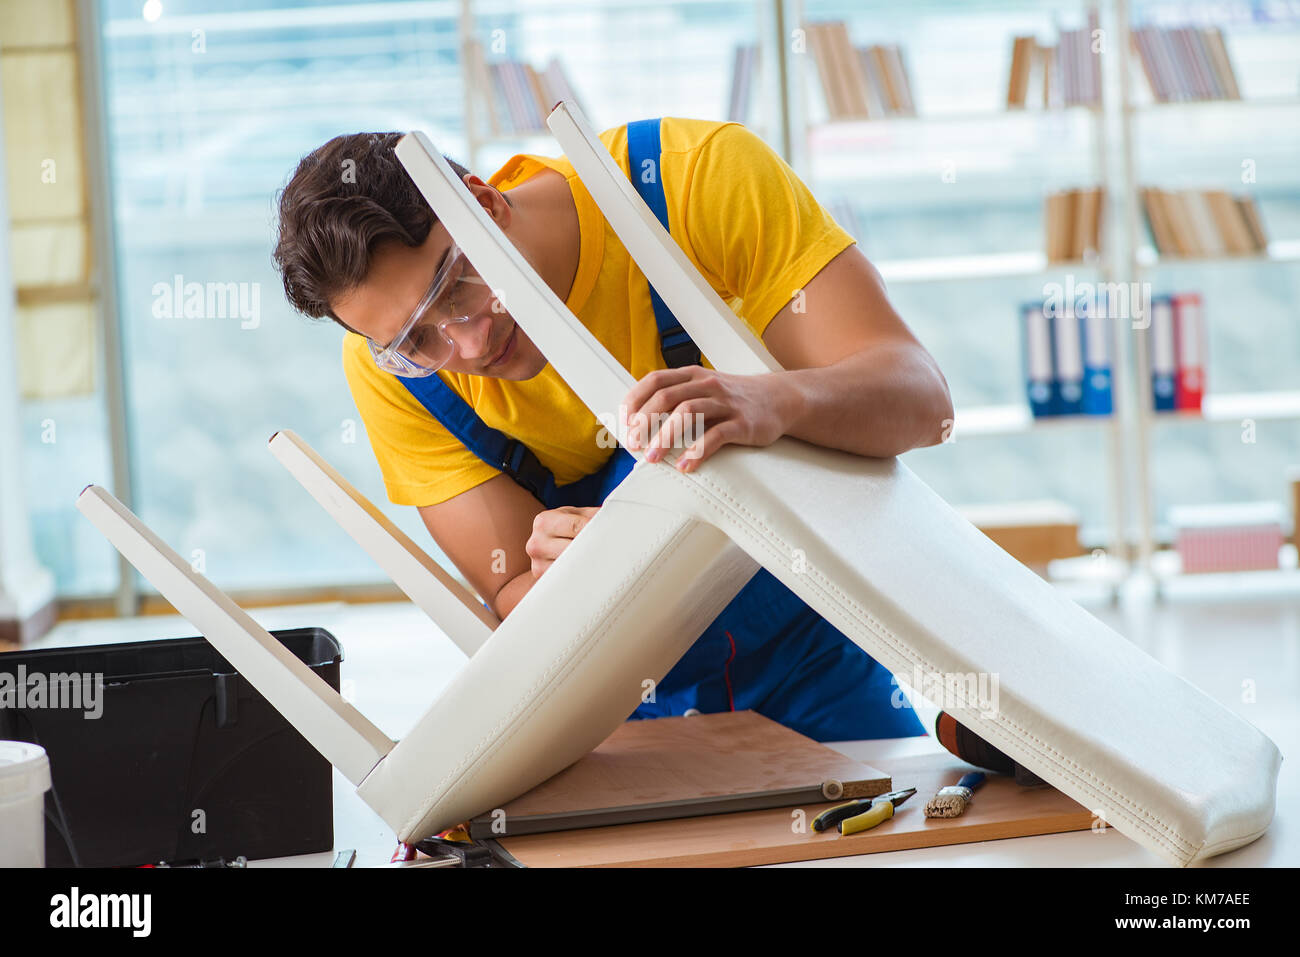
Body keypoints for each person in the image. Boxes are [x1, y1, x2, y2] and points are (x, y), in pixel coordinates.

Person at [272, 117, 953, 742]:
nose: (470, 344)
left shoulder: (693, 183)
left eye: (455, 286)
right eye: (417, 339)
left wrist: (775, 399)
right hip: (621, 708)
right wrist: (565, 572)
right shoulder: (396, 372)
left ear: (485, 204)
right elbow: (513, 593)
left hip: (813, 660)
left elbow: (923, 402)